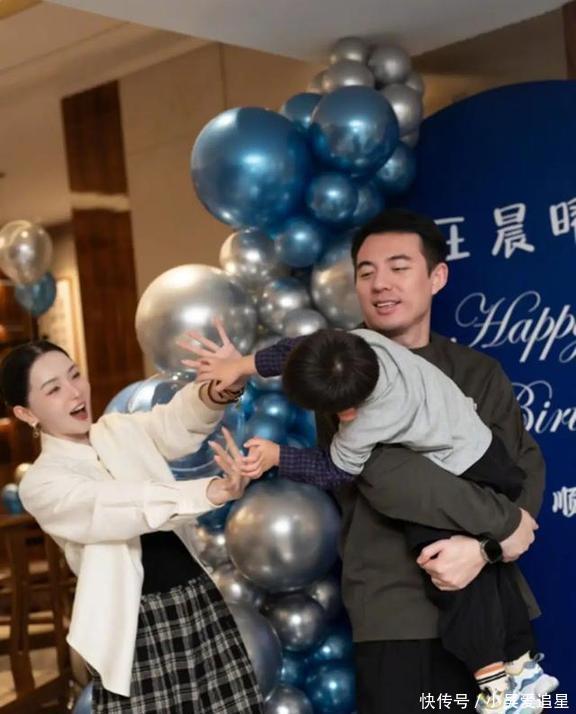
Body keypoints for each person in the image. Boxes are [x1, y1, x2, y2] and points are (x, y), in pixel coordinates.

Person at [184, 208, 547, 714]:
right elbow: (390, 478)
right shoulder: (340, 370)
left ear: (437, 277)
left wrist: (484, 551)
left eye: (399, 267)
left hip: (493, 607)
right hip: (394, 614)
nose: (380, 284)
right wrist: (501, 533)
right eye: (366, 272)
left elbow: (520, 465)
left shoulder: (477, 371)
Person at [0, 340, 263, 713]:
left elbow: (176, 422)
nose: (74, 392)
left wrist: (222, 386)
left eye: (75, 375)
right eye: (53, 389)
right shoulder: (41, 483)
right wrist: (209, 491)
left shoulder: (119, 429)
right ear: (26, 413)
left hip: (194, 597)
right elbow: (118, 505)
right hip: (133, 625)